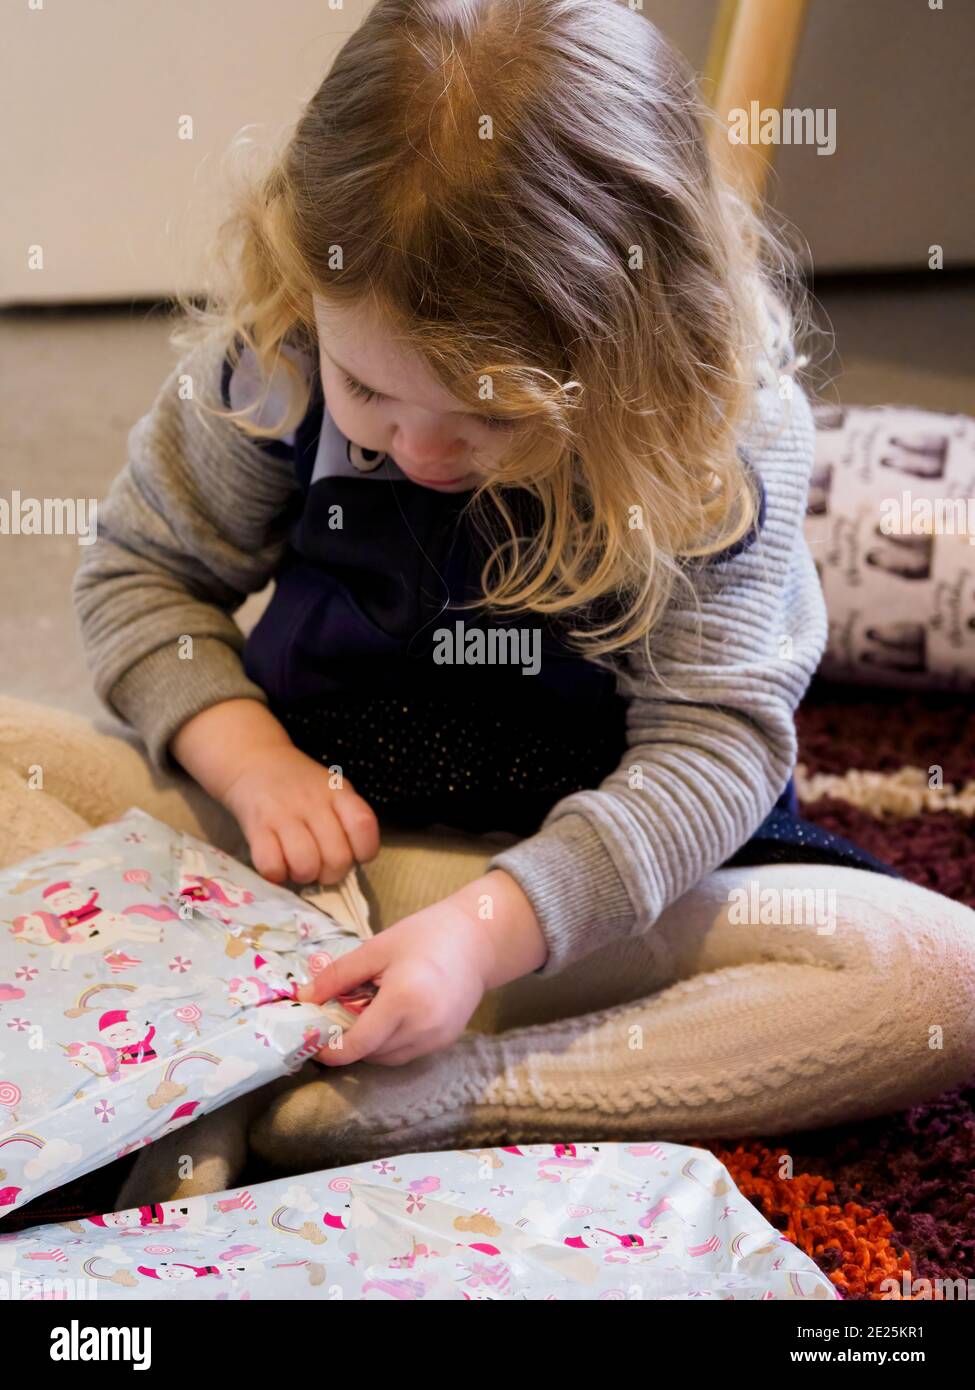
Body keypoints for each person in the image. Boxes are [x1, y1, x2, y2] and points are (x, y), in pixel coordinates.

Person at [74, 0, 975, 1176]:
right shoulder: (283, 353)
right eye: (370, 394)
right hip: (312, 865)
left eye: (495, 417)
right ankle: (268, 1042)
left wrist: (492, 931)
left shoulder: (722, 440)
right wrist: (250, 759)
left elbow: (714, 746)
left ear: (647, 346)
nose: (424, 454)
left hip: (582, 909)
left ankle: (426, 1093)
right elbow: (140, 575)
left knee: (936, 977)